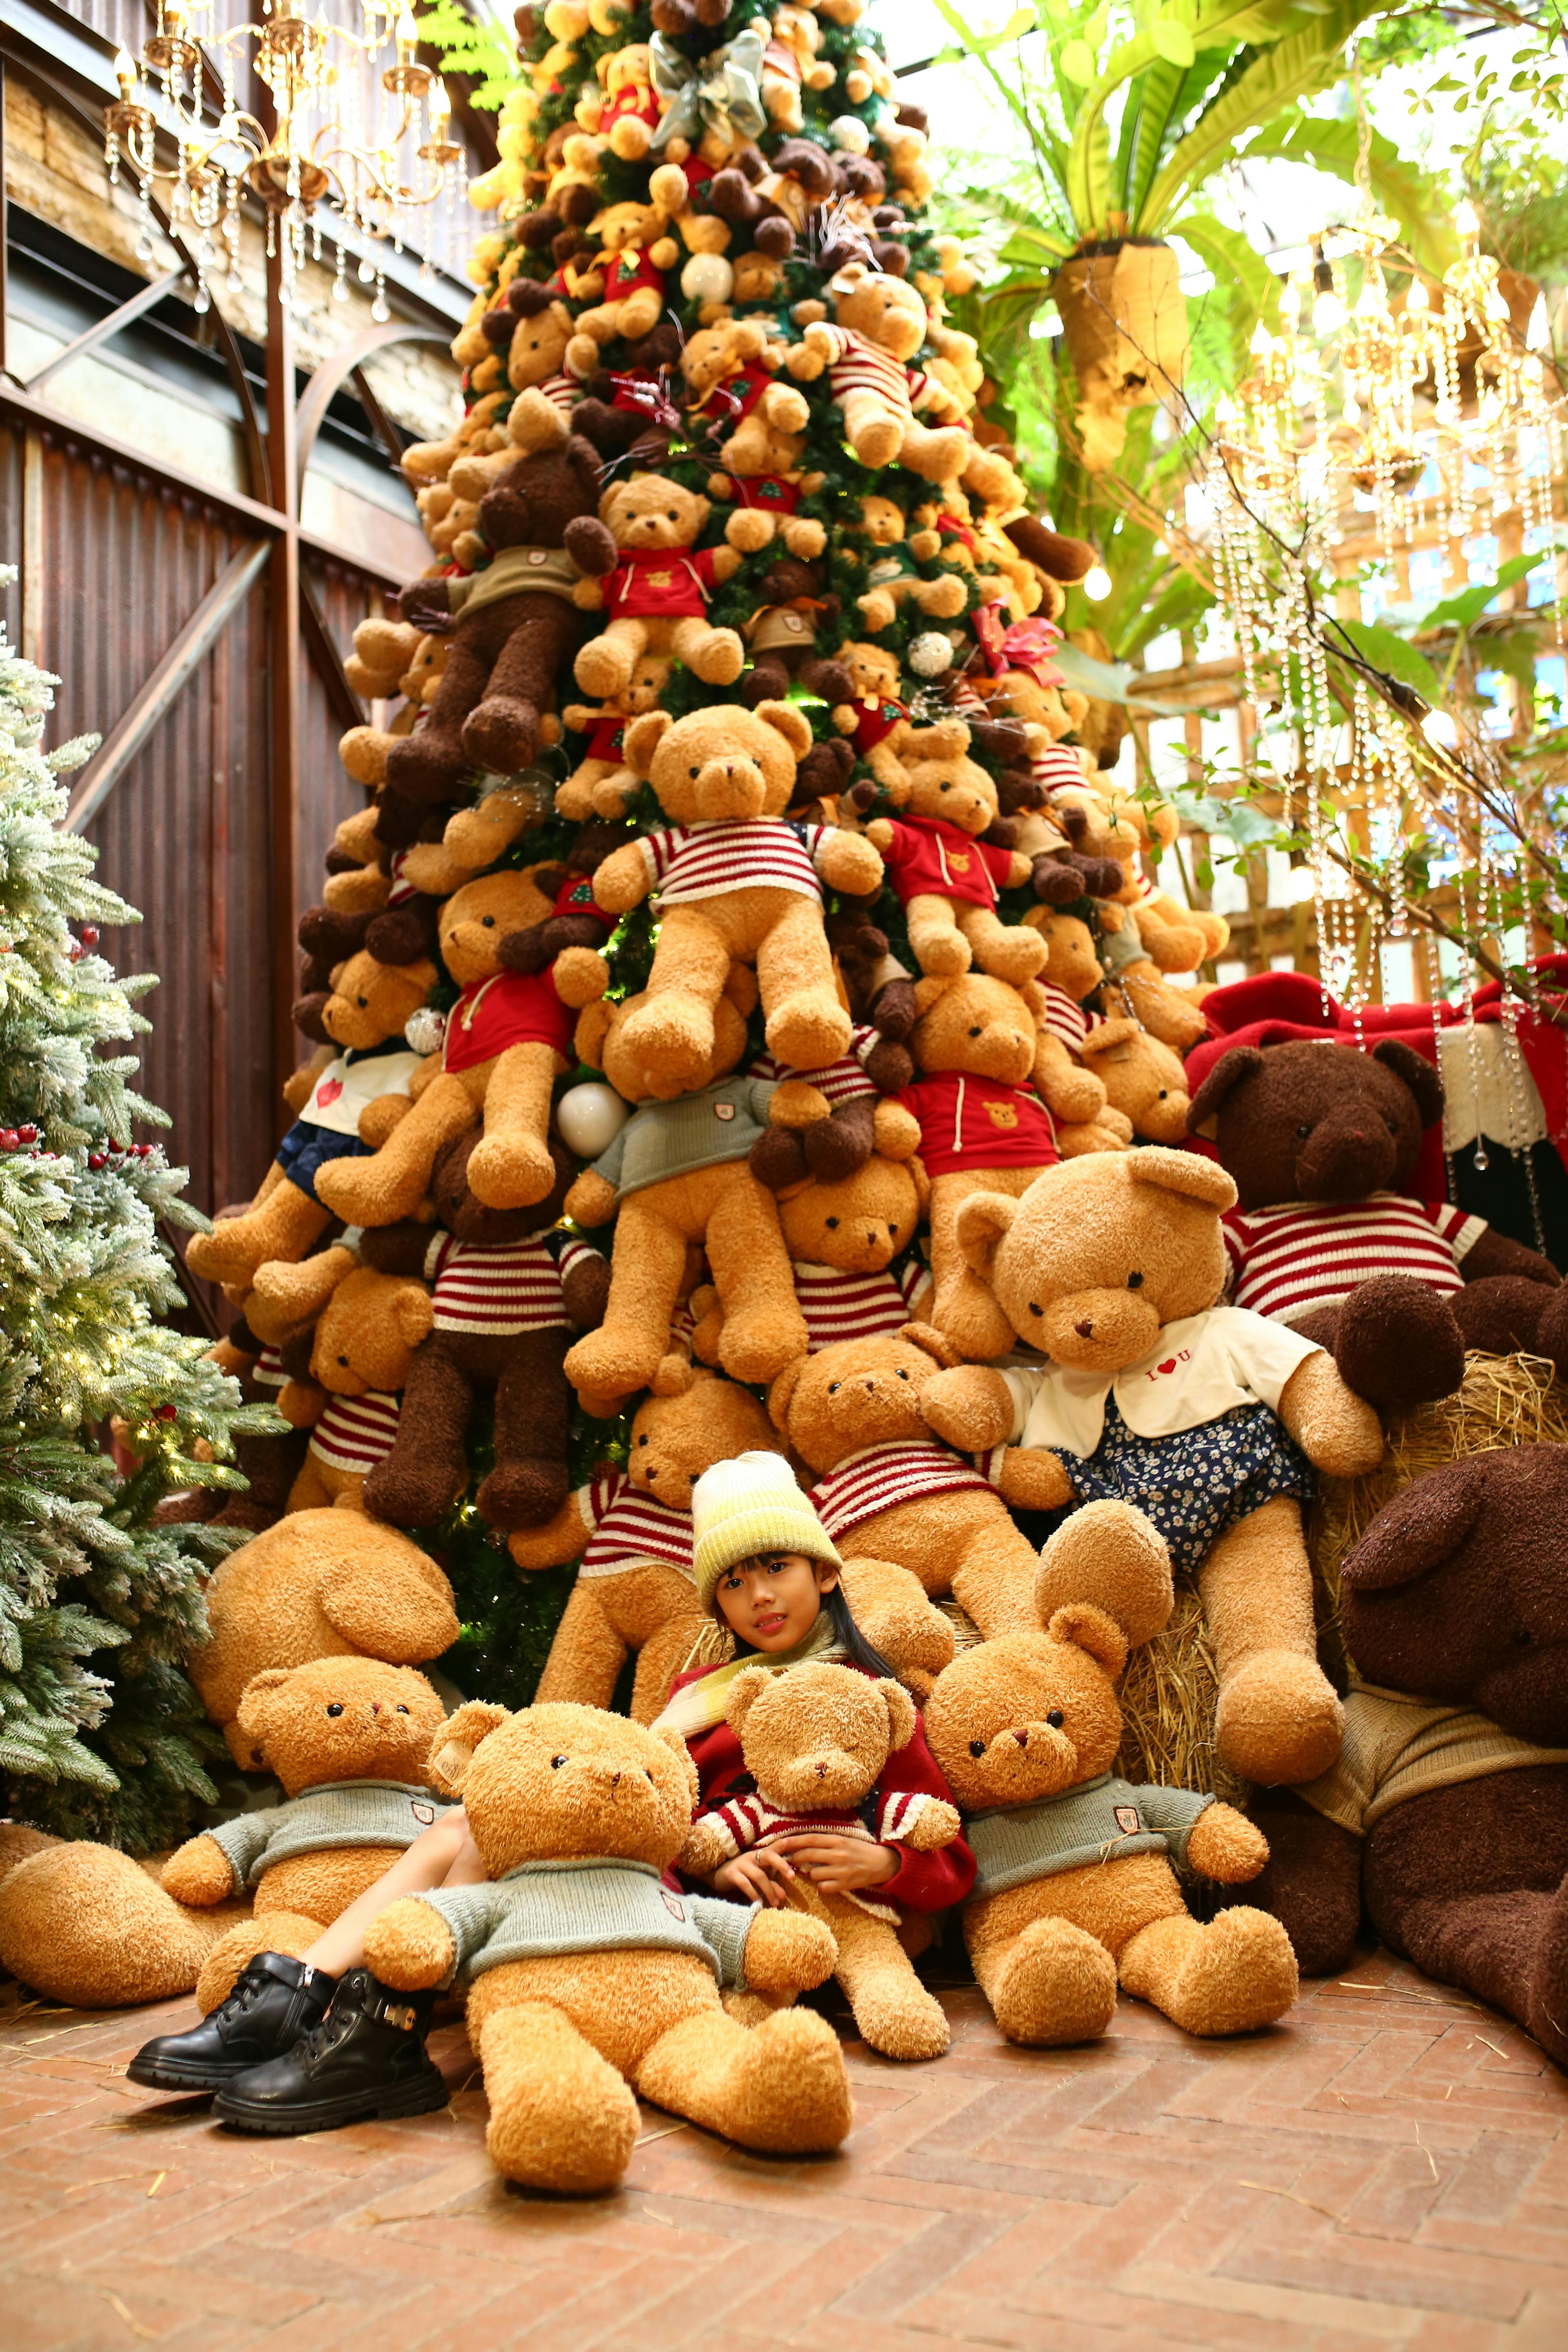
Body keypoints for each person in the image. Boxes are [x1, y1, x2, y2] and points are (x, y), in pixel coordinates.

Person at [656, 1449, 974, 1924]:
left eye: (776, 1567)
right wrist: (715, 1875)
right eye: (733, 1583)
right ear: (720, 1610)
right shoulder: (694, 1703)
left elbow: (950, 1856)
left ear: (824, 1573)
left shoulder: (870, 1696)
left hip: (861, 1932)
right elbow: (653, 1837)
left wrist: (888, 1864)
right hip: (733, 1936)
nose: (760, 1595)